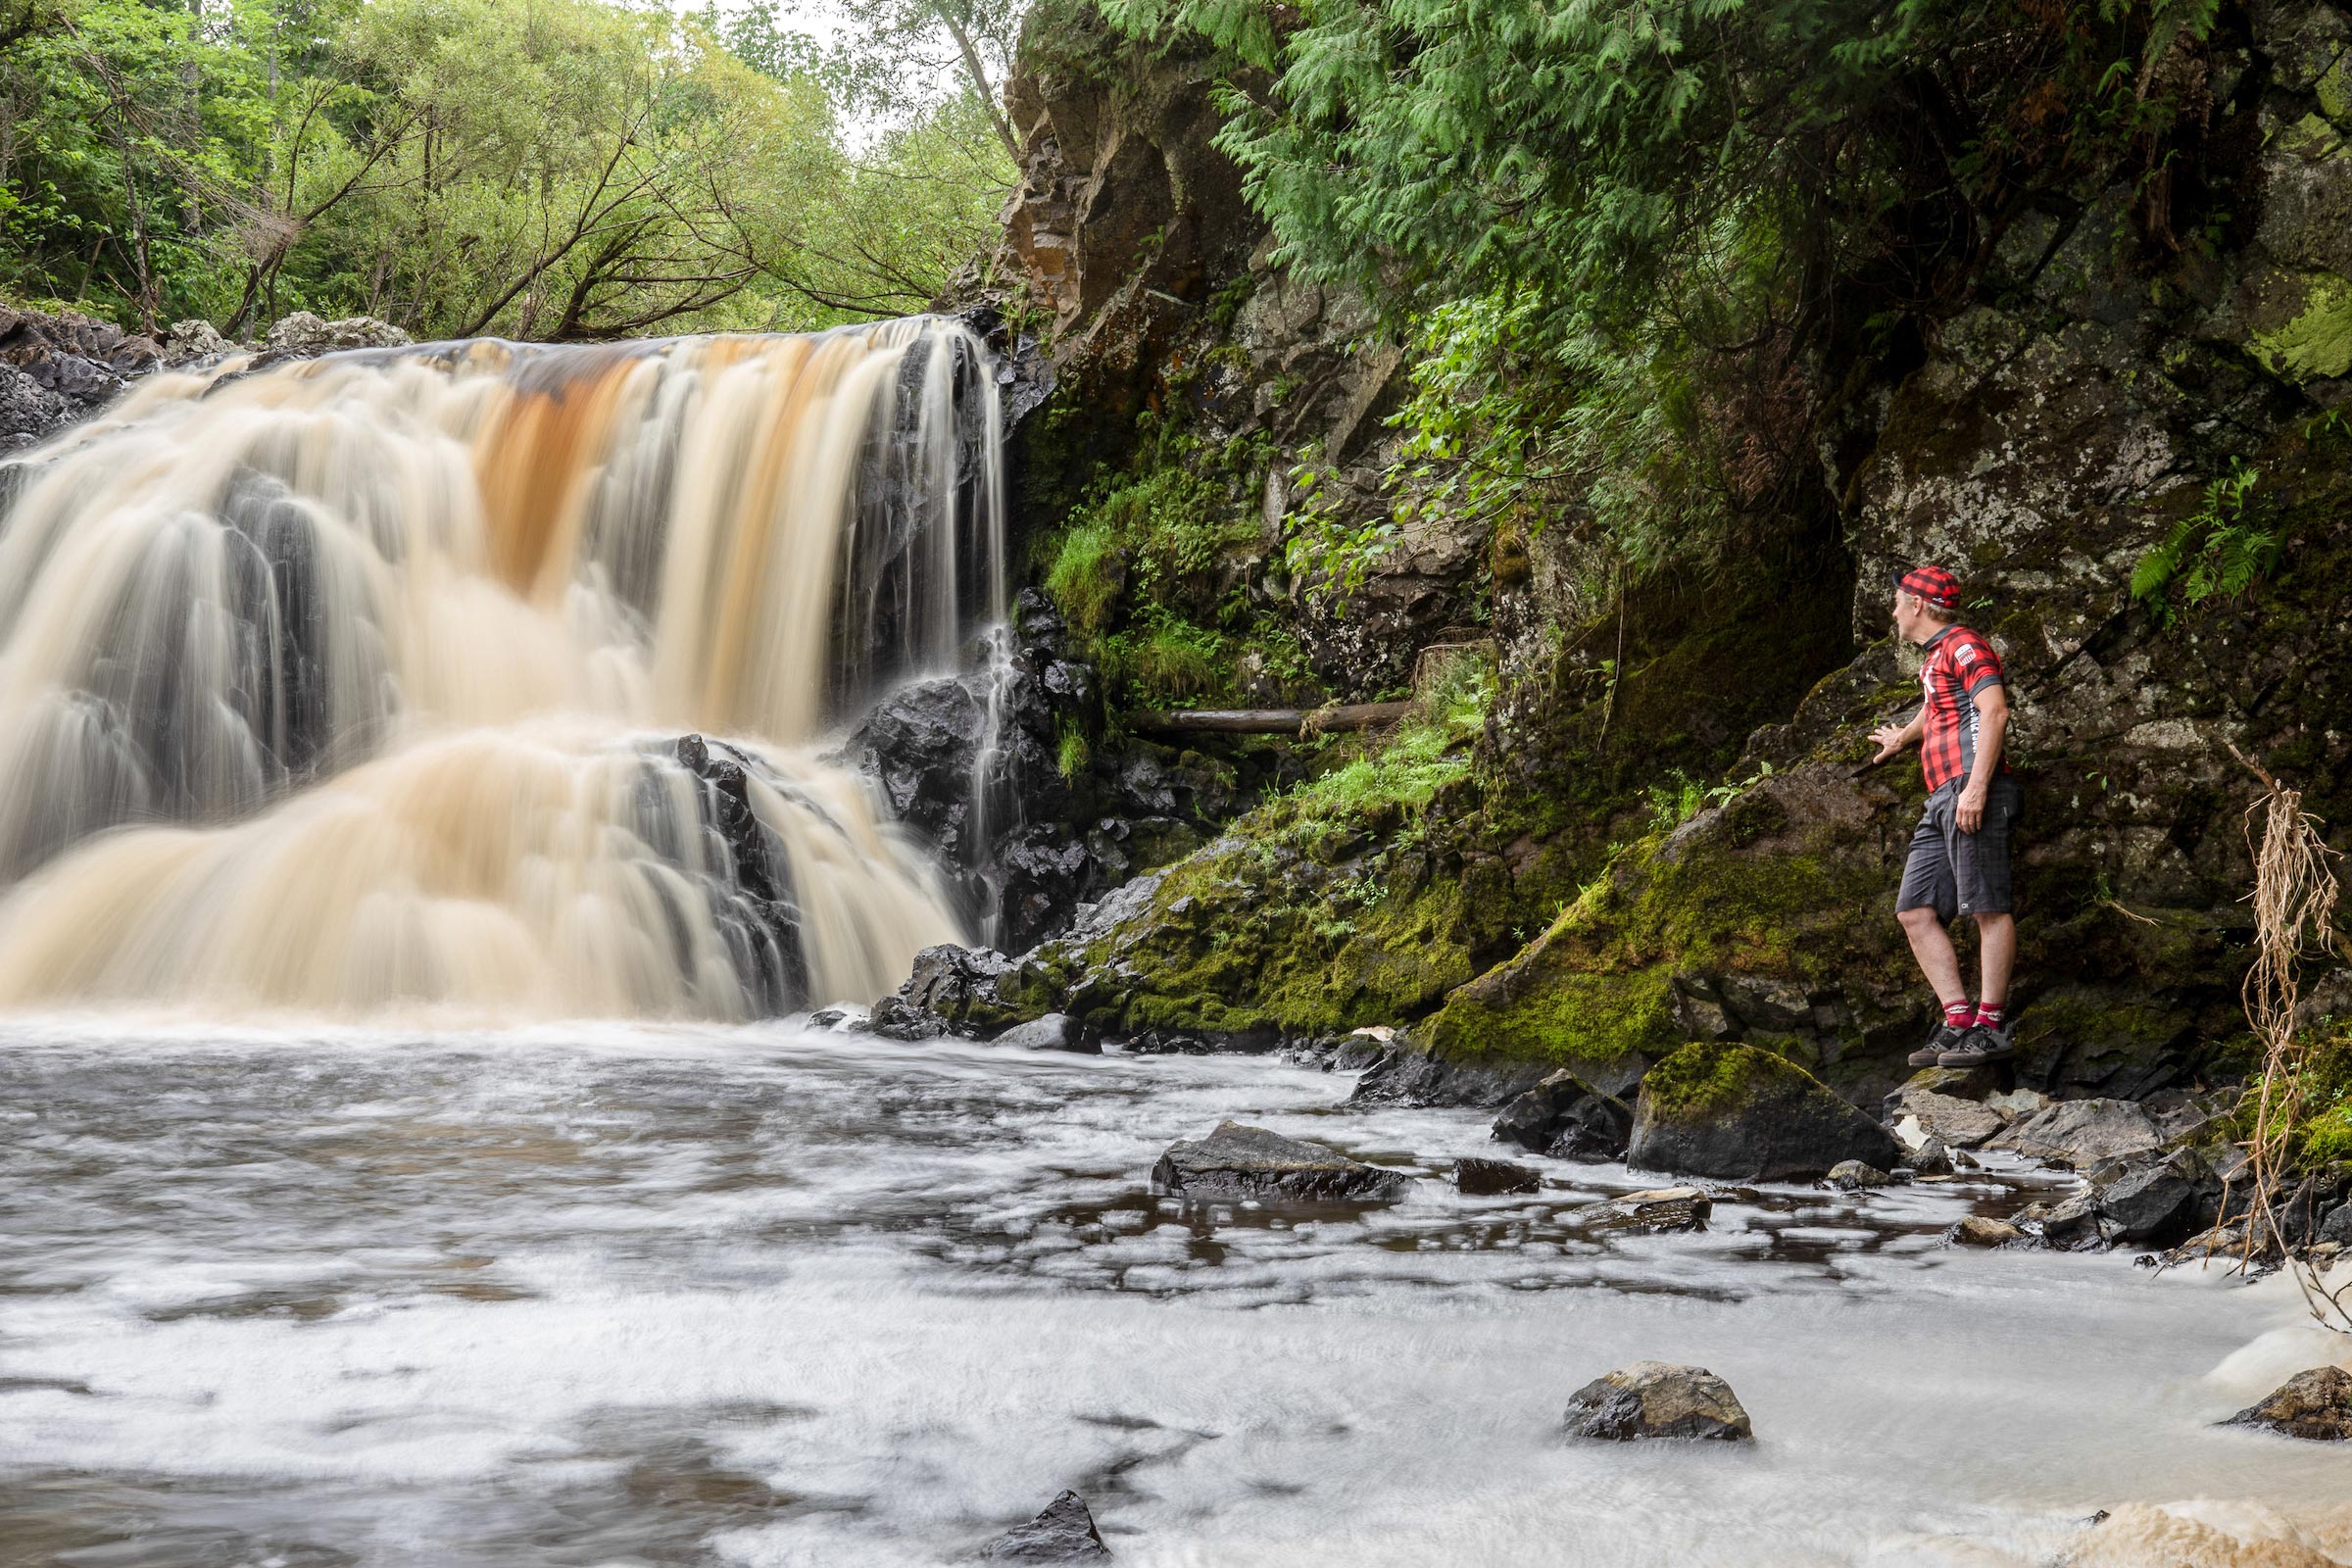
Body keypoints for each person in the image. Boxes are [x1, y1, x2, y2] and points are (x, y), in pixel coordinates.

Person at [1870, 565, 2023, 1069]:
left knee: (1987, 907)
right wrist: (1903, 737)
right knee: (1914, 911)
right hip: (1942, 797)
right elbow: (1937, 705)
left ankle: (1991, 1025)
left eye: (1897, 601)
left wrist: (1977, 788)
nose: (1893, 610)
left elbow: (1994, 710)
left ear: (1917, 605)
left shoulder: (1963, 645)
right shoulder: (1939, 657)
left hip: (1968, 788)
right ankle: (1958, 1020)